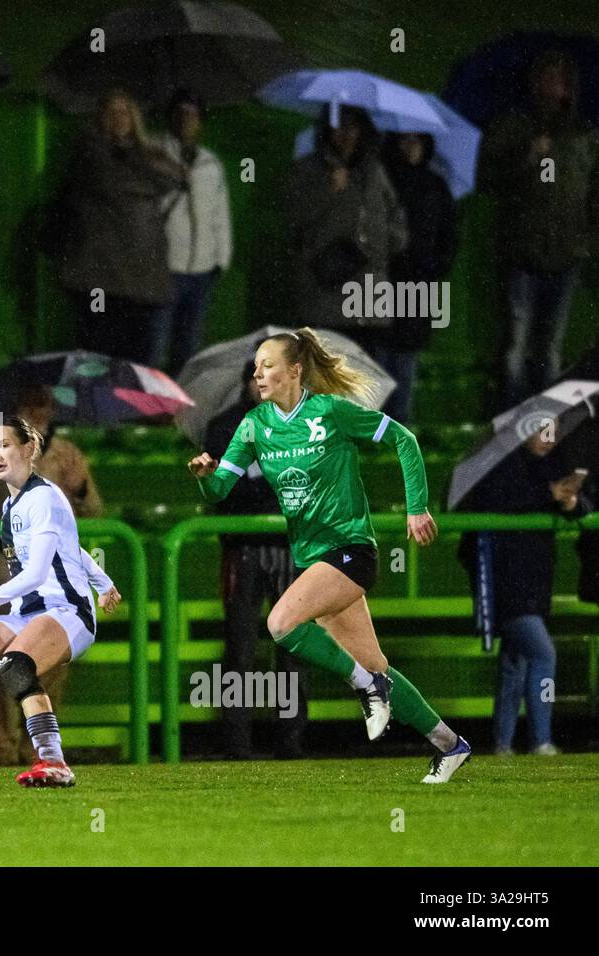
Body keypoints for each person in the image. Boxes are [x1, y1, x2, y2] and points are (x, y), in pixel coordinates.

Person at [188, 328, 472, 784]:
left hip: (350, 550)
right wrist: (205, 475)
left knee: (281, 624)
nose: (258, 373)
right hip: (308, 557)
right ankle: (449, 744)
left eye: (267, 364)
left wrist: (416, 507)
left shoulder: (331, 412)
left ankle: (366, 687)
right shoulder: (253, 425)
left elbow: (405, 440)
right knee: (377, 664)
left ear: (295, 370)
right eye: (256, 366)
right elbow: (222, 488)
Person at [0, 416, 121, 790]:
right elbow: (69, 548)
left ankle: (53, 760)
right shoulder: (12, 505)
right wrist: (105, 583)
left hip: (66, 610)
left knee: (16, 664)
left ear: (28, 449)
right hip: (28, 612)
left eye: (5, 445)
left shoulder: (44, 496)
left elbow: (38, 572)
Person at [457, 422, 591, 756]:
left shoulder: (550, 466)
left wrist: (570, 501)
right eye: (542, 430)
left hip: (534, 582)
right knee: (543, 654)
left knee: (514, 662)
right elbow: (498, 500)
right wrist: (549, 495)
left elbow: (584, 509)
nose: (550, 438)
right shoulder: (499, 468)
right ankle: (541, 740)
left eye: (554, 431)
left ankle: (503, 743)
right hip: (506, 582)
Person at [478, 51, 599, 413]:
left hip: (567, 254)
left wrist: (588, 239)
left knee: (550, 345)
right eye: (546, 76)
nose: (553, 85)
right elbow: (488, 179)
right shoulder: (513, 127)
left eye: (560, 78)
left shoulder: (585, 135)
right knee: (516, 342)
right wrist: (527, 157)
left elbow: (594, 192)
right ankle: (511, 418)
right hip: (522, 253)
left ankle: (545, 421)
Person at [202, 375, 307, 759]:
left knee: (292, 648)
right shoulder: (227, 426)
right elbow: (224, 488)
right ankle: (236, 743)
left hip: (288, 546)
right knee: (240, 649)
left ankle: (291, 741)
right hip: (244, 547)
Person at [56, 89, 184, 364]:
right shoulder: (90, 149)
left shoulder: (146, 151)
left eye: (125, 111)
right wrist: (145, 172)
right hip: (99, 274)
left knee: (137, 363)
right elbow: (111, 184)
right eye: (112, 111)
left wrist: (141, 159)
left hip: (142, 279)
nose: (119, 118)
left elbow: (174, 178)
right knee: (97, 358)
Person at [283, 105, 408, 334]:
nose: (346, 134)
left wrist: (386, 243)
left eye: (353, 127)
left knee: (364, 367)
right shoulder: (308, 169)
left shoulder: (373, 171)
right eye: (339, 127)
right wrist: (329, 190)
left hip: (368, 296)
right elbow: (295, 218)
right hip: (325, 292)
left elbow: (394, 213)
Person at [377, 132, 458, 422]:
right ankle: (380, 419)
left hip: (419, 281)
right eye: (405, 141)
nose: (411, 148)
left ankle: (400, 418)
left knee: (406, 352)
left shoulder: (435, 186)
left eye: (417, 142)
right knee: (383, 351)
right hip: (385, 281)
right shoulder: (381, 181)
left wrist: (436, 266)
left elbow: (448, 233)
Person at [151, 88, 231, 375]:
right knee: (156, 342)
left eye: (194, 115)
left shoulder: (210, 162)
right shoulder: (154, 153)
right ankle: (151, 409)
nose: (187, 120)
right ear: (170, 116)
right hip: (165, 265)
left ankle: (179, 407)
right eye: (182, 113)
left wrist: (221, 258)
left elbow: (219, 214)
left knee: (189, 344)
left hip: (202, 269)